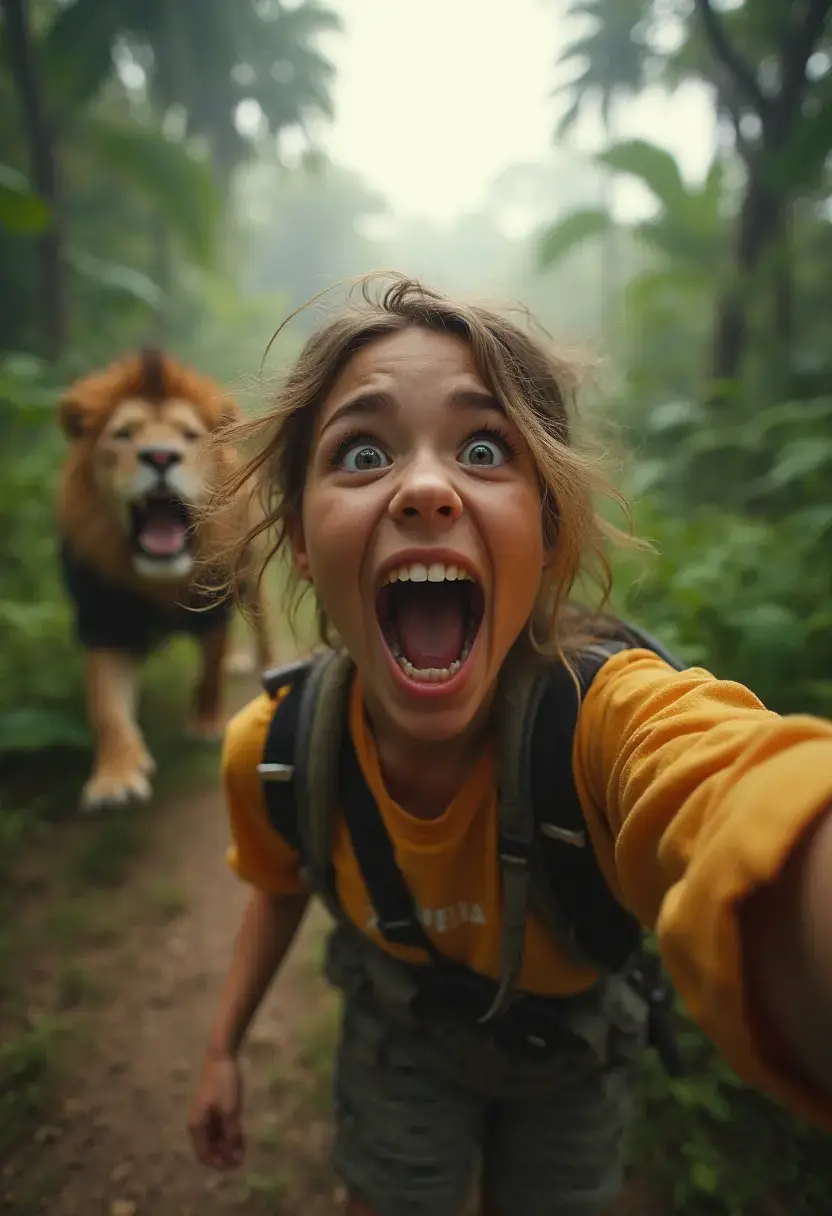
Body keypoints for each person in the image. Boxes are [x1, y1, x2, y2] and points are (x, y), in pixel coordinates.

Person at [187, 274, 832, 1216]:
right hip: (401, 1034)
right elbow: (276, 887)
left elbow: (726, 785)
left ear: (549, 526)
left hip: (576, 1049)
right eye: (362, 452)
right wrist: (220, 1048)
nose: (423, 488)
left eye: (484, 448)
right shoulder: (276, 750)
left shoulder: (604, 723)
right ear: (296, 533)